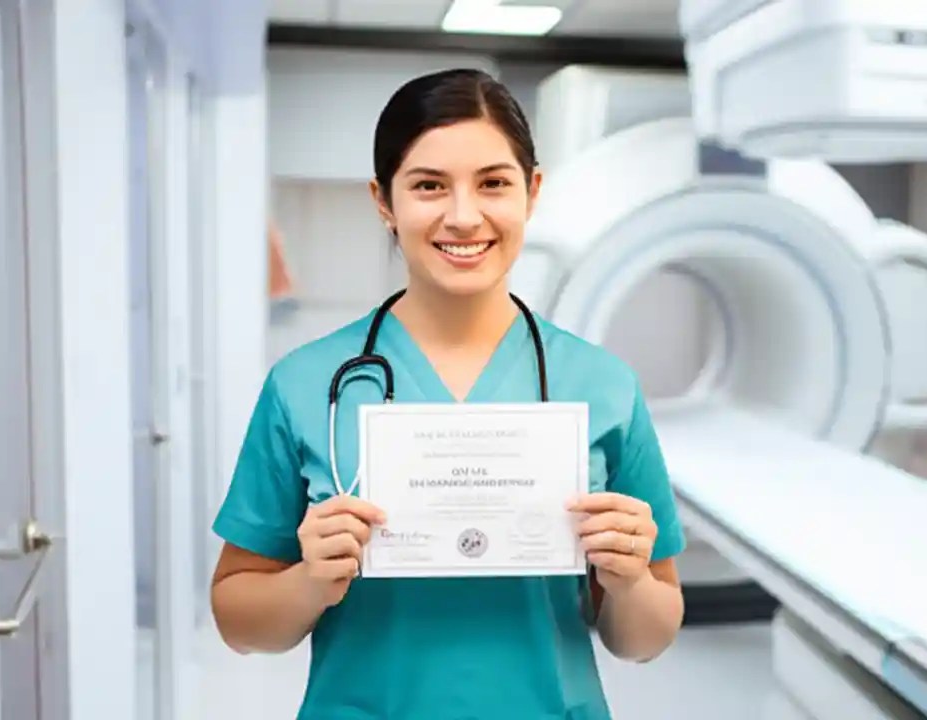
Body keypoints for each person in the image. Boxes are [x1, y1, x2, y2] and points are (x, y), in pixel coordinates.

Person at [209, 68, 687, 719]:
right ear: (384, 201)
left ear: (532, 192)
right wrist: (310, 581)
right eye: (429, 185)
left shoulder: (602, 385)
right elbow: (239, 621)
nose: (463, 217)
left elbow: (646, 638)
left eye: (493, 183)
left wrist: (628, 580)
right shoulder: (305, 384)